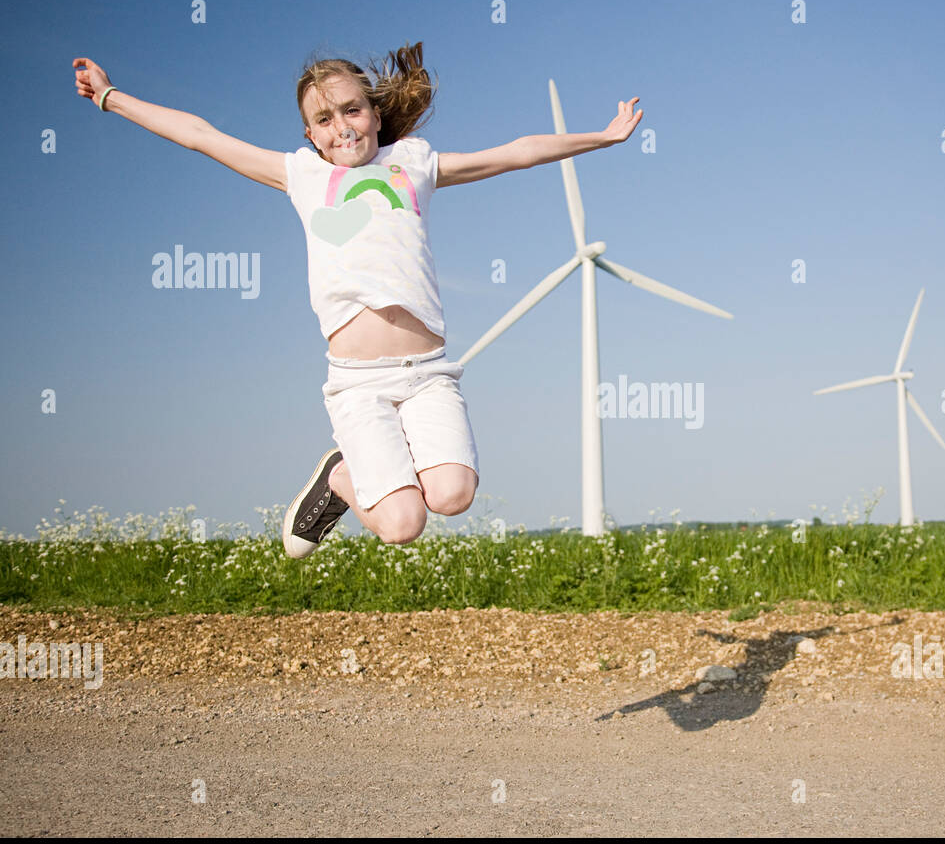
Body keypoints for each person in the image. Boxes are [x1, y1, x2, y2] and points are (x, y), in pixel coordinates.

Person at [73, 43, 642, 557]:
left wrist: (602, 137)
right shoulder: (299, 176)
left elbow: (516, 152)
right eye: (323, 119)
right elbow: (200, 135)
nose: (341, 127)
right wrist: (109, 97)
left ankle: (362, 474)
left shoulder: (414, 163)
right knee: (401, 525)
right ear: (310, 135)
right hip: (358, 383)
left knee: (453, 494)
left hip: (429, 372)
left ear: (373, 112)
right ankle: (342, 478)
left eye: (351, 109)